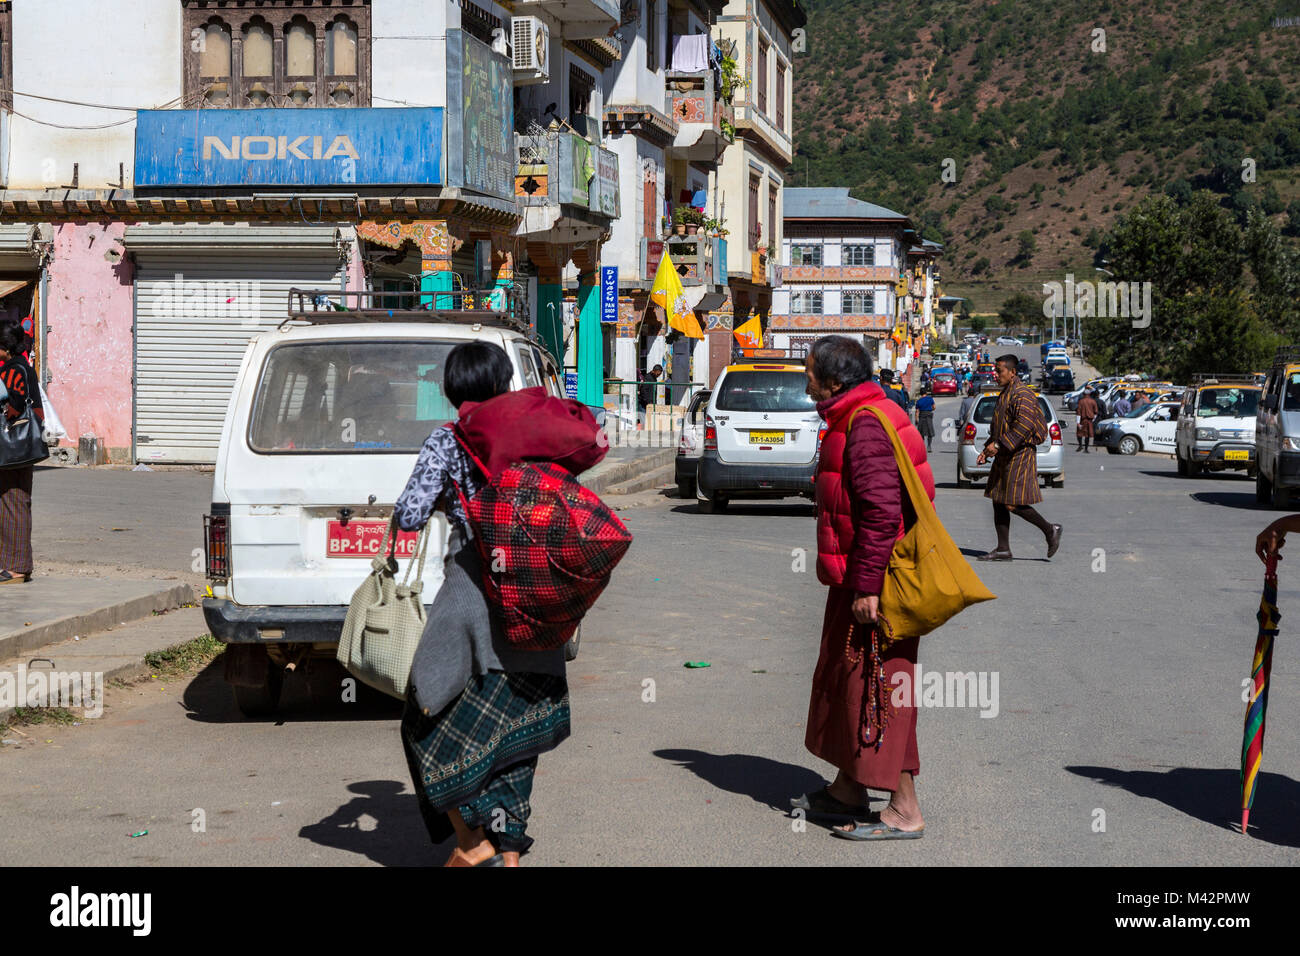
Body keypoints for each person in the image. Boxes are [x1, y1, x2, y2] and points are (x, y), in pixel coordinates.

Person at [394, 341, 606, 867]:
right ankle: (508, 857)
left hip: (472, 593)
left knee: (425, 710)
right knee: (520, 728)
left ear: (451, 388)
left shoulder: (447, 442)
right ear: (505, 381)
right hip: (539, 592)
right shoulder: (539, 435)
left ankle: (472, 843)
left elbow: (410, 515)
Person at [793, 335, 934, 840]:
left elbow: (881, 515)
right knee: (852, 682)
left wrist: (867, 586)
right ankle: (848, 790)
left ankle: (903, 809)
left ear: (834, 381)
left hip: (878, 582)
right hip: (860, 576)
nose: (804, 381)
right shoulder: (866, 412)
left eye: (809, 373)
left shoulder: (866, 425)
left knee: (878, 689)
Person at [976, 354, 1062, 561]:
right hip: (1005, 453)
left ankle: (1051, 529)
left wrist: (998, 444)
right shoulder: (1006, 392)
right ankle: (1003, 549)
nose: (995, 375)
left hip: (1020, 454)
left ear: (1012, 372)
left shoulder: (1022, 394)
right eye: (995, 371)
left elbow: (1023, 426)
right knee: (998, 499)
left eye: (999, 371)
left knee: (1012, 503)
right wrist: (987, 448)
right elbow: (1000, 427)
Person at [0, 322, 42, 584]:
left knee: (12, 503)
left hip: (13, 448)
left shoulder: (13, 370)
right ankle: (15, 564)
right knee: (16, 502)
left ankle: (16, 567)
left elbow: (15, 405)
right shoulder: (25, 367)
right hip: (23, 447)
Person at [1075, 388, 1100, 453]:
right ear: (1089, 394)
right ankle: (1086, 448)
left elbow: (1078, 412)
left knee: (1079, 434)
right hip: (1089, 421)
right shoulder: (1093, 401)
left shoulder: (1081, 401)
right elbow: (1096, 412)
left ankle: (1080, 445)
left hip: (1082, 420)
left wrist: (1078, 422)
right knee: (1087, 435)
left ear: (1084, 394)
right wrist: (1093, 420)